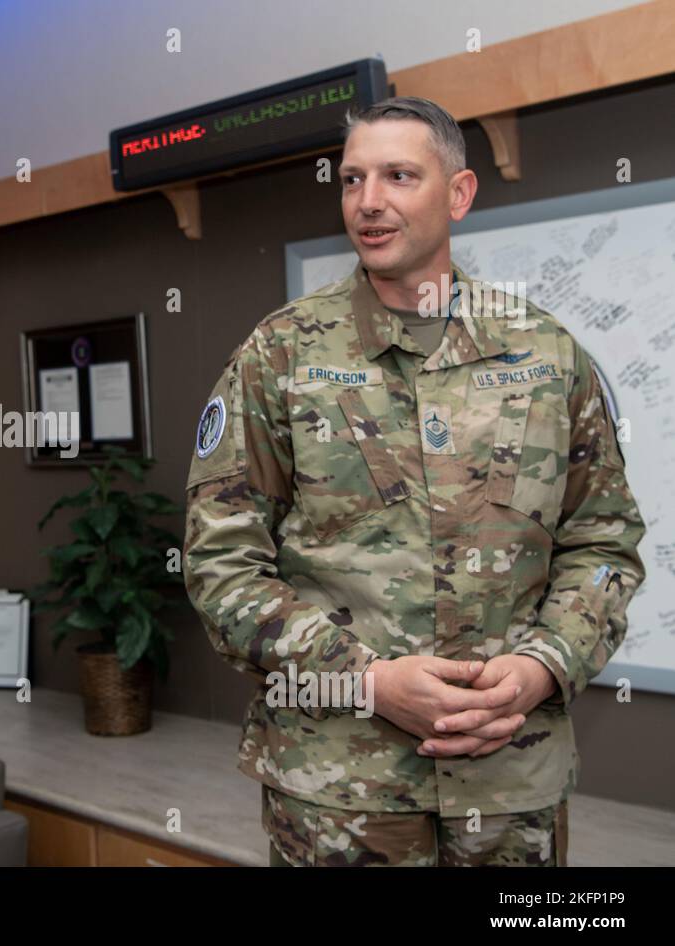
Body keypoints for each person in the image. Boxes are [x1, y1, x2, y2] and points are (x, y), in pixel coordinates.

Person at [183, 96, 645, 866]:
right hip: (341, 789)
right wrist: (365, 680)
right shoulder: (279, 356)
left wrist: (545, 665)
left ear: (458, 194)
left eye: (399, 175)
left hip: (510, 784)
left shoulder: (546, 355)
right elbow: (220, 564)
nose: (369, 200)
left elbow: (604, 542)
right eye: (352, 178)